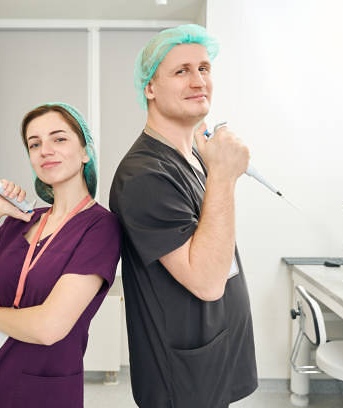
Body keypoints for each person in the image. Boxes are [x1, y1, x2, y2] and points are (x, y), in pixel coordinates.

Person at [109, 24, 258, 408]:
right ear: (150, 88)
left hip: (213, 352)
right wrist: (224, 175)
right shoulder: (144, 175)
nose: (199, 81)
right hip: (183, 376)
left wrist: (216, 170)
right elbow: (207, 282)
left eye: (204, 68)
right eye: (181, 71)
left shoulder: (194, 157)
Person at [0, 102, 121, 408]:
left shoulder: (100, 227)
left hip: (39, 389)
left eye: (59, 139)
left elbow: (48, 328)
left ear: (85, 152)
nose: (45, 150)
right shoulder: (19, 220)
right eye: (34, 144)